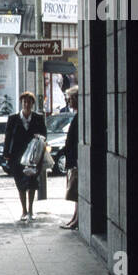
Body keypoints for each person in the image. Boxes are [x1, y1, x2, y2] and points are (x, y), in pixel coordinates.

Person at [3, 91, 48, 221]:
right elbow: (8, 137)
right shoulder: (13, 118)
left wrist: (39, 139)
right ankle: (24, 210)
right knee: (21, 183)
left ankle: (31, 210)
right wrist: (6, 154)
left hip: (33, 157)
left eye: (29, 102)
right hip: (17, 157)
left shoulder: (38, 118)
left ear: (33, 104)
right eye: (24, 102)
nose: (27, 104)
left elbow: (44, 136)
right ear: (21, 103)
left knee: (32, 183)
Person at [61, 87, 80, 230]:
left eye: (71, 98)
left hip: (77, 160)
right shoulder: (77, 115)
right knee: (75, 192)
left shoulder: (80, 117)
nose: (69, 101)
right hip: (73, 159)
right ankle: (74, 218)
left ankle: (76, 220)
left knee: (77, 191)